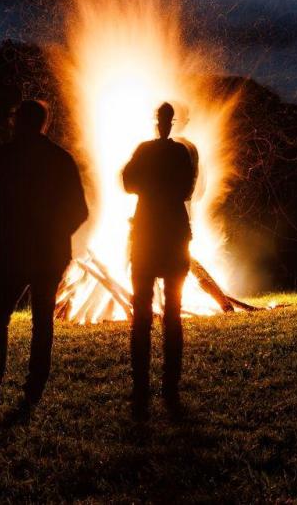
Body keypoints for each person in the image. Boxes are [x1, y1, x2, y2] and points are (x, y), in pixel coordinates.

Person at [0, 99, 88, 410]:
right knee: (42, 322)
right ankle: (34, 389)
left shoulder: (3, 158)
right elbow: (80, 210)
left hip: (12, 251)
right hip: (48, 254)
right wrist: (56, 235)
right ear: (43, 124)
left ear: (17, 122)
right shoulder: (59, 159)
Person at [123, 102, 198, 418]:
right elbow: (186, 190)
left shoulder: (145, 151)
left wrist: (148, 183)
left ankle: (144, 385)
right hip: (172, 235)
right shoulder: (180, 154)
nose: (164, 124)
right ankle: (168, 385)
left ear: (161, 123)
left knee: (144, 313)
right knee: (172, 313)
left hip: (148, 235)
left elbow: (128, 184)